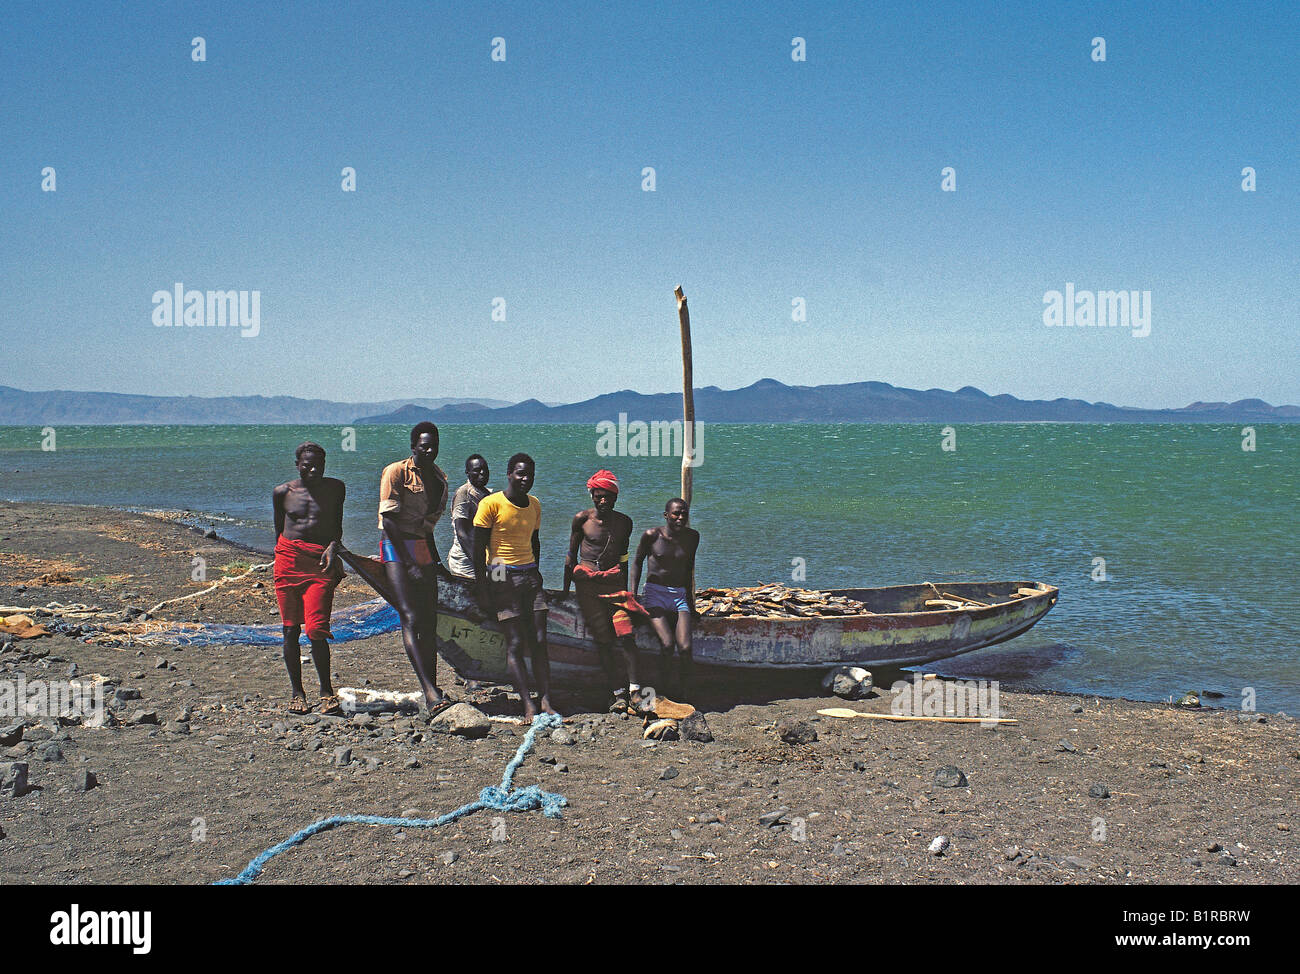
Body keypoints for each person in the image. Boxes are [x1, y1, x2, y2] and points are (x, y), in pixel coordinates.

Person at [472, 453, 556, 717]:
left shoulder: (535, 505)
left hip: (530, 574)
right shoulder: (490, 504)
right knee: (516, 642)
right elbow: (478, 550)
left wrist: (538, 571)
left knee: (540, 640)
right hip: (500, 572)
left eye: (530, 475)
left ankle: (545, 701)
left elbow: (535, 541)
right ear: (508, 474)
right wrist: (483, 589)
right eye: (520, 473)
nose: (525, 479)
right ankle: (527, 704)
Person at [378, 421, 449, 714]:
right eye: (424, 446)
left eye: (434, 445)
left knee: (429, 620)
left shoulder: (440, 479)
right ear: (413, 447)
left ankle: (432, 686)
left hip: (420, 543)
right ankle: (430, 692)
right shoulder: (395, 472)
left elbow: (428, 528)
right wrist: (410, 563)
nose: (429, 450)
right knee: (409, 615)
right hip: (395, 543)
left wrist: (435, 562)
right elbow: (390, 520)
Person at [272, 442, 345, 715]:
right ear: (297, 464)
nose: (313, 470)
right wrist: (282, 557)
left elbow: (337, 525)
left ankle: (326, 691)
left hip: (320, 563)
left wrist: (333, 547)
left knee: (316, 630)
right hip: (289, 561)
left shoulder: (336, 489)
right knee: (290, 629)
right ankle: (297, 692)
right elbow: (279, 528)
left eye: (319, 466)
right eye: (307, 465)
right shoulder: (282, 492)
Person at [563, 470, 638, 712]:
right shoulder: (581, 520)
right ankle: (617, 694)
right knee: (604, 640)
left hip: (614, 587)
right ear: (592, 495)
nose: (603, 501)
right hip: (588, 589)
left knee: (626, 634)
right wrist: (565, 592)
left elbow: (624, 557)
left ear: (615, 497)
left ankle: (635, 691)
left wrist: (628, 592)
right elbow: (570, 557)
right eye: (598, 496)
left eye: (607, 496)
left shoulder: (624, 523)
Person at [630, 498, 700, 701]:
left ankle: (686, 691)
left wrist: (691, 605)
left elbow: (688, 570)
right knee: (668, 644)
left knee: (685, 647)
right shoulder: (652, 535)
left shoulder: (692, 537)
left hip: (679, 595)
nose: (680, 518)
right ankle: (663, 690)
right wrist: (634, 597)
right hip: (654, 593)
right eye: (676, 513)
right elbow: (636, 563)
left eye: (684, 514)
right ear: (666, 515)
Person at [446, 455, 490, 578]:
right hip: (465, 560)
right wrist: (479, 563)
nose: (482, 473)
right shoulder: (464, 494)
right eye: (477, 470)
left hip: (486, 556)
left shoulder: (487, 495)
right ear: (467, 472)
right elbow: (462, 533)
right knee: (479, 592)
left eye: (485, 469)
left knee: (500, 583)